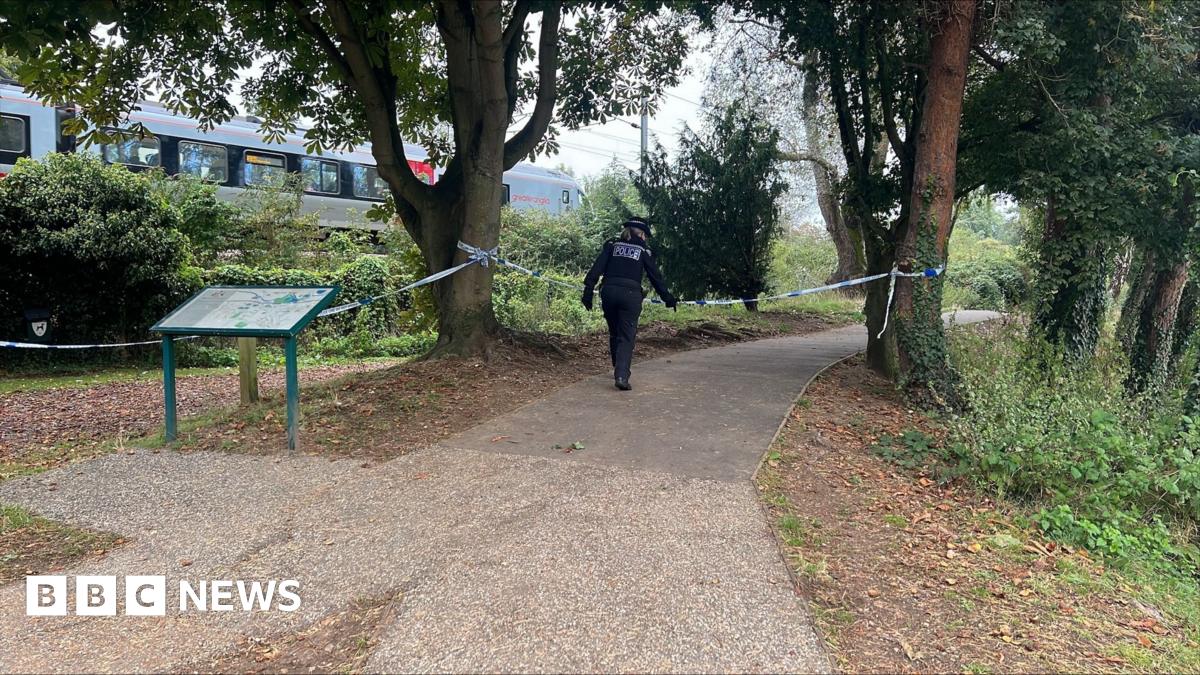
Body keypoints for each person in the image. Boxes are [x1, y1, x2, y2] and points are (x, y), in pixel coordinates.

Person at [582, 218, 677, 391]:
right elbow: (655, 277)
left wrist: (588, 291)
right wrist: (668, 298)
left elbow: (597, 268)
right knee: (626, 336)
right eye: (645, 236)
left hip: (609, 292)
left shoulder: (612, 245)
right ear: (640, 234)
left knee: (614, 332)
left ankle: (617, 367)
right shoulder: (643, 250)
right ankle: (621, 375)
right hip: (631, 295)